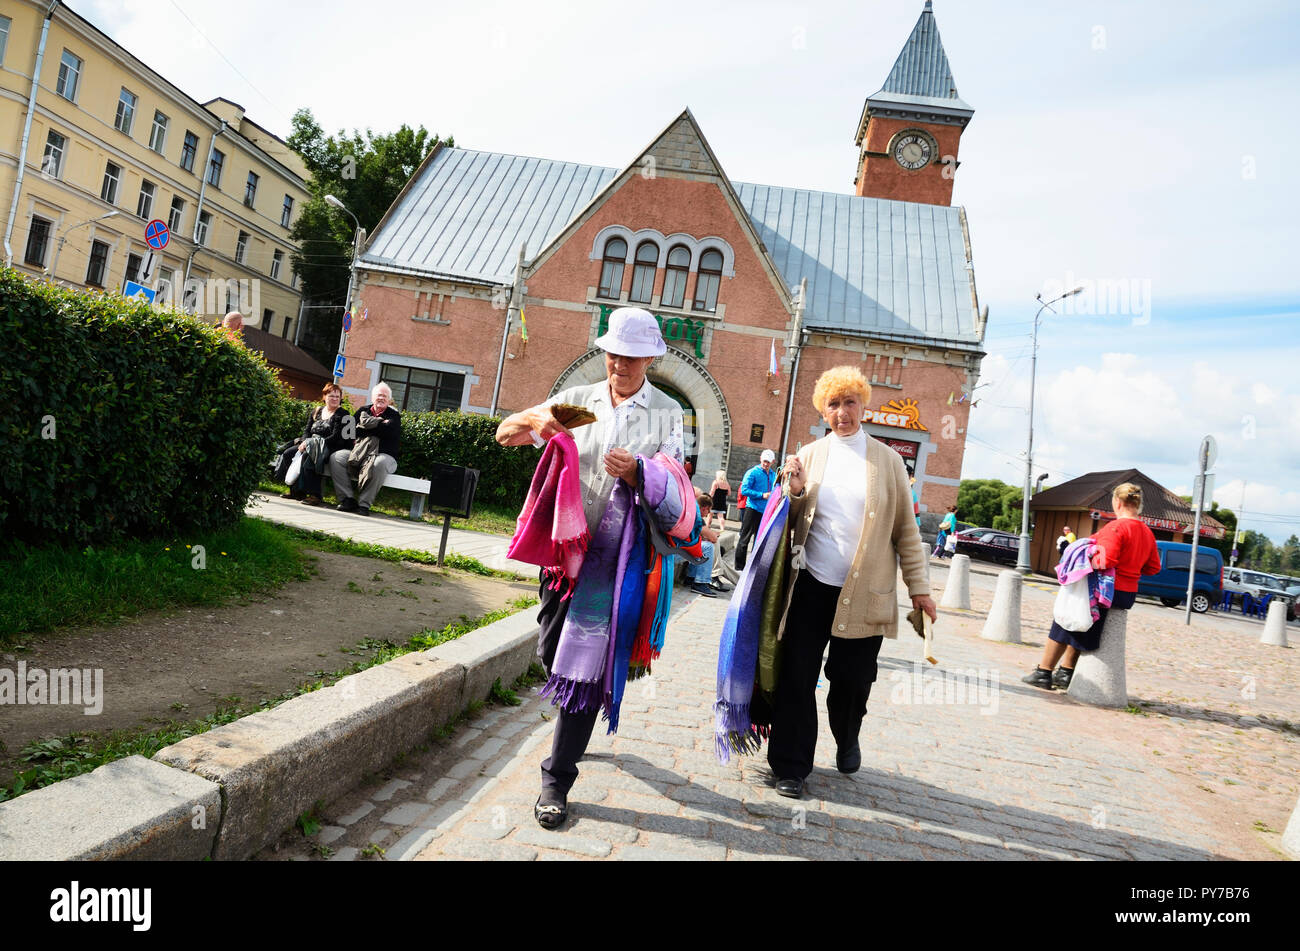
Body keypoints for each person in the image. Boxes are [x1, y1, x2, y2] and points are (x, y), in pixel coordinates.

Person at [494, 307, 686, 830]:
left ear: (651, 357)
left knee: (582, 669)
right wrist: (537, 421)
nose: (620, 363)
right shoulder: (579, 401)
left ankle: (556, 780)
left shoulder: (667, 414)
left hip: (618, 567)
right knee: (551, 652)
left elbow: (676, 495)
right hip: (564, 559)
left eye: (631, 355)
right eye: (613, 353)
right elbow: (504, 435)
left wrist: (641, 471)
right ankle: (576, 714)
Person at [769, 366, 935, 799]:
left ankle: (847, 735)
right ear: (823, 410)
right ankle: (790, 765)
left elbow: (906, 532)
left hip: (865, 593)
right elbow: (785, 524)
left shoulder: (889, 461)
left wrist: (920, 590)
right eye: (833, 404)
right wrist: (797, 491)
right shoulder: (807, 455)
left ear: (864, 405)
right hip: (811, 586)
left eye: (849, 402)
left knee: (852, 680)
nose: (842, 412)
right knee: (797, 677)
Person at [1023, 483, 1159, 690]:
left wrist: (1086, 555)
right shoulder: (1147, 532)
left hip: (1106, 591)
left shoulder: (1115, 527)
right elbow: (1153, 568)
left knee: (1065, 618)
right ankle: (1066, 672)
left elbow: (1106, 561)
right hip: (1126, 593)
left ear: (1117, 502)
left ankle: (1044, 671)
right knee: (1084, 621)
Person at [329, 382, 400, 515]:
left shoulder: (394, 416)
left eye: (385, 396)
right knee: (336, 457)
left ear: (389, 400)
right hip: (359, 452)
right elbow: (349, 432)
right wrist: (379, 424)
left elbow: (389, 433)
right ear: (373, 398)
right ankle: (347, 499)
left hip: (383, 454)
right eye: (379, 395)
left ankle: (364, 504)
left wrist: (365, 426)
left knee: (378, 463)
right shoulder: (363, 410)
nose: (381, 398)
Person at [295, 382, 355, 506]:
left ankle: (315, 495)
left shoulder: (343, 414)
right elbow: (307, 430)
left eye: (337, 397)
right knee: (288, 453)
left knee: (310, 456)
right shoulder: (317, 411)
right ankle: (296, 491)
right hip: (311, 443)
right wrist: (305, 441)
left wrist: (312, 443)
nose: (334, 399)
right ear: (324, 397)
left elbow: (336, 437)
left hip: (331, 446)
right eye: (331, 396)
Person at [734, 449, 777, 571]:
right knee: (744, 538)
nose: (766, 464)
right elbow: (744, 490)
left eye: (768, 462)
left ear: (772, 462)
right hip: (752, 509)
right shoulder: (752, 472)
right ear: (760, 459)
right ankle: (739, 567)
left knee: (759, 541)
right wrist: (761, 495)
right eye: (764, 461)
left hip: (765, 511)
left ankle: (752, 567)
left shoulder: (774, 475)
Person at [683, 491, 725, 597]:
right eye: (708, 511)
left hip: (677, 545)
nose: (708, 514)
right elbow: (713, 538)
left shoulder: (690, 511)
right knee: (708, 546)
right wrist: (711, 535)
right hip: (677, 549)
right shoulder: (696, 516)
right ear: (704, 508)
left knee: (702, 544)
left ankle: (691, 577)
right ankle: (700, 583)